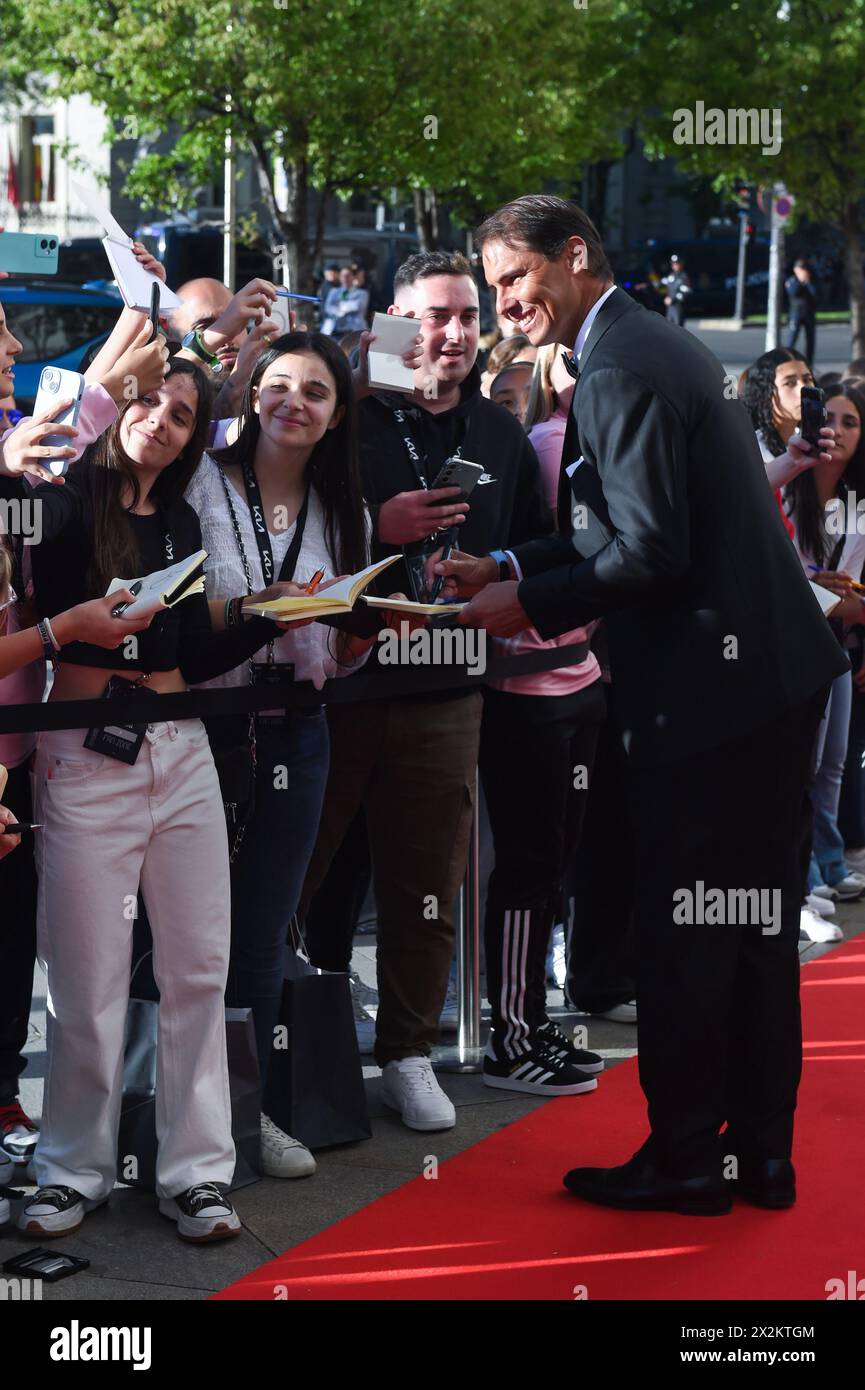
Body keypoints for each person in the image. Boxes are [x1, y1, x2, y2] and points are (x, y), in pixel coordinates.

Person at [440, 193, 845, 1215]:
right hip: (765, 685)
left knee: (687, 929)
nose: (505, 306)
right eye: (494, 288)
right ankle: (759, 1157)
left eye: (515, 280)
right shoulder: (645, 344)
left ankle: (680, 1159)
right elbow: (608, 523)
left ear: (574, 256)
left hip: (709, 701)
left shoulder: (617, 364)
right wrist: (501, 561)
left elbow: (643, 550)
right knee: (752, 927)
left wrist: (521, 601)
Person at [5, 358, 300, 1242]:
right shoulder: (62, 505)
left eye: (181, 414)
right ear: (118, 402)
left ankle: (197, 1172)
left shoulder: (179, 519)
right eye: (147, 400)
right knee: (87, 977)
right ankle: (71, 1169)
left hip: (181, 754)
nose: (161, 421)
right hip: (85, 756)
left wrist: (265, 613)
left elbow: (187, 656)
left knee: (197, 969)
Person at [297, 249, 551, 1132]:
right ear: (395, 321)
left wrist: (500, 575)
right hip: (331, 688)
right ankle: (282, 1048)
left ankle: (405, 1051)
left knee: (425, 884)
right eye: (434, 315)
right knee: (298, 876)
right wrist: (378, 524)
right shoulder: (346, 414)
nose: (452, 333)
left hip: (446, 691)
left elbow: (539, 544)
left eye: (467, 317)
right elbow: (272, 515)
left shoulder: (496, 431)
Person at [185, 332, 385, 1177]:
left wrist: (354, 629)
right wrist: (255, 609)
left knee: (263, 934)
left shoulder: (346, 512)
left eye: (314, 392)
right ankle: (168, 1112)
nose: (292, 402)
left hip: (298, 729)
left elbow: (346, 658)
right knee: (186, 935)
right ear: (250, 393)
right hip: (202, 725)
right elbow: (173, 604)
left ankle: (246, 1112)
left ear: (336, 415)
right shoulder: (199, 481)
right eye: (277, 385)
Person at [783, 381, 865, 918]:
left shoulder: (860, 504)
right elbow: (782, 589)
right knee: (805, 763)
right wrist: (826, 596)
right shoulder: (787, 488)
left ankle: (831, 862)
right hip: (792, 646)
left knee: (833, 761)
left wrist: (828, 596)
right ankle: (808, 870)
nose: (835, 428)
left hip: (836, 645)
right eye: (827, 417)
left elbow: (855, 598)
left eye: (851, 421)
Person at [321, 267, 370, 337]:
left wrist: (339, 305)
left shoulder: (362, 293)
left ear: (353, 277)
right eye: (342, 276)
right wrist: (341, 309)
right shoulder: (334, 291)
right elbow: (328, 307)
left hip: (354, 330)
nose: (345, 278)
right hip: (335, 330)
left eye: (348, 275)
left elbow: (357, 306)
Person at [785, 259, 817, 364]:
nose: (803, 271)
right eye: (800, 268)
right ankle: (788, 361)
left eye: (804, 268)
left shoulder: (811, 281)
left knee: (810, 341)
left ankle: (809, 364)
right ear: (795, 269)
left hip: (809, 314)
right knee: (791, 340)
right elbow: (793, 293)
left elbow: (815, 294)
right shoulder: (792, 281)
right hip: (796, 313)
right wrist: (800, 281)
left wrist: (807, 282)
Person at [661, 254, 691, 327]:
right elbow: (660, 285)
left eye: (677, 264)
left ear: (681, 264)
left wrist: (673, 299)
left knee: (678, 329)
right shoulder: (670, 276)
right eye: (673, 264)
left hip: (679, 307)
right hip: (669, 308)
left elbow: (685, 292)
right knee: (669, 329)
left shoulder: (684, 277)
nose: (675, 266)